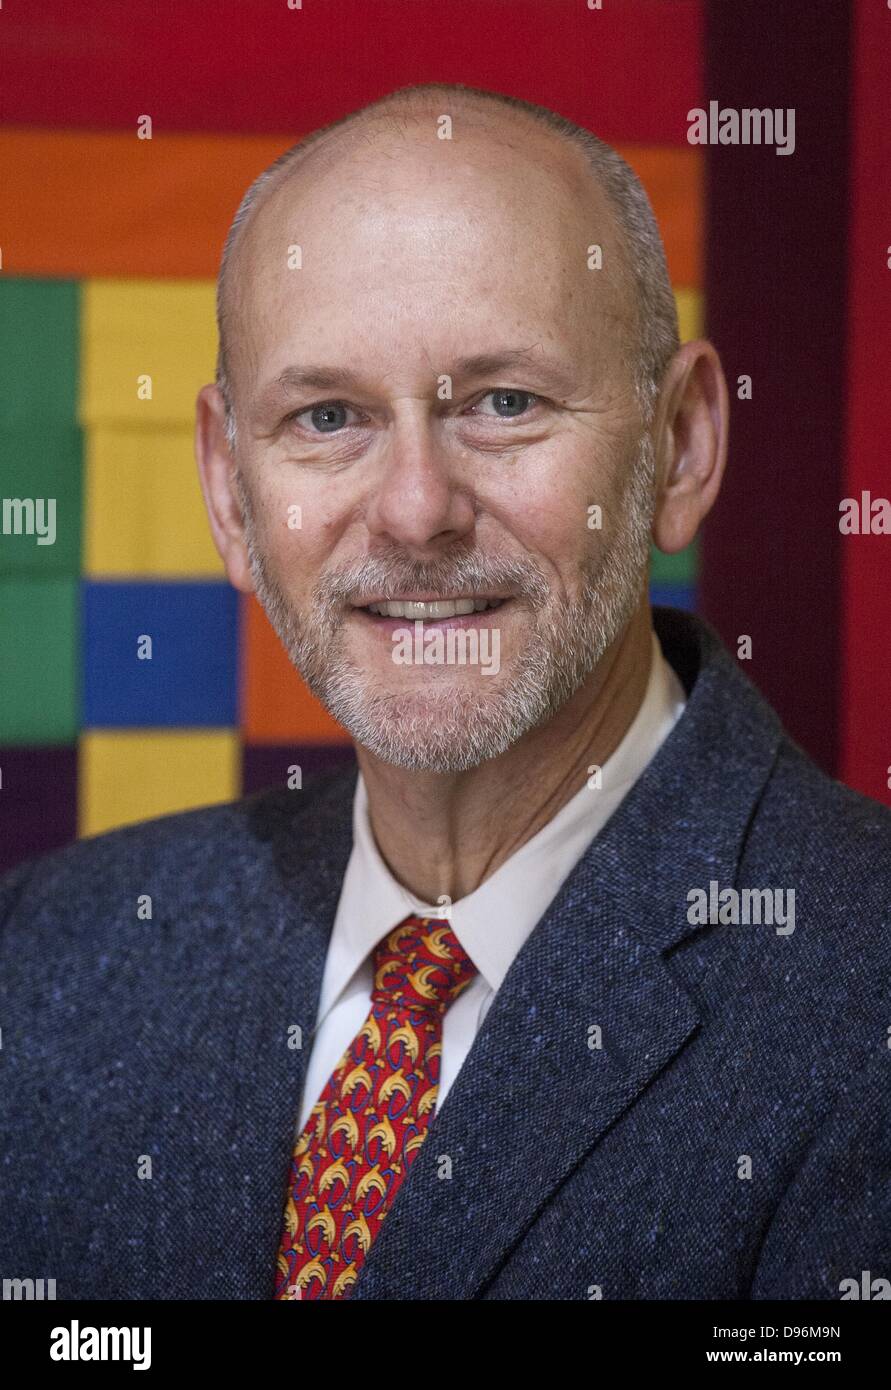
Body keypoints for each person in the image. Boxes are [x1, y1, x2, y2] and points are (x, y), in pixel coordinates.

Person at [1, 83, 889, 1302]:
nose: (417, 509)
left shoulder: (862, 986)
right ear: (229, 494)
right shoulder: (49, 958)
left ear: (680, 442)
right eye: (327, 416)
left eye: (504, 404)